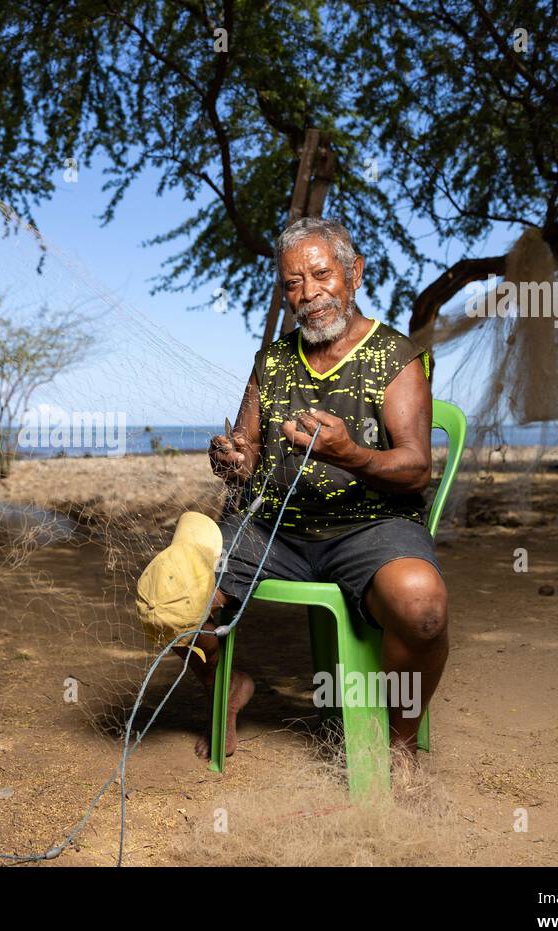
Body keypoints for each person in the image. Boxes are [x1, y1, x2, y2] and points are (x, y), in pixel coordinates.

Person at [193, 217, 448, 762]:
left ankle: (399, 751)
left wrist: (350, 454)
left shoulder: (394, 357)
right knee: (175, 595)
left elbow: (415, 469)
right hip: (273, 531)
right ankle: (229, 685)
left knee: (421, 606)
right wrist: (232, 457)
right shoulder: (273, 361)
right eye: (292, 283)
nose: (308, 295)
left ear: (353, 274)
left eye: (321, 275)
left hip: (372, 529)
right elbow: (246, 453)